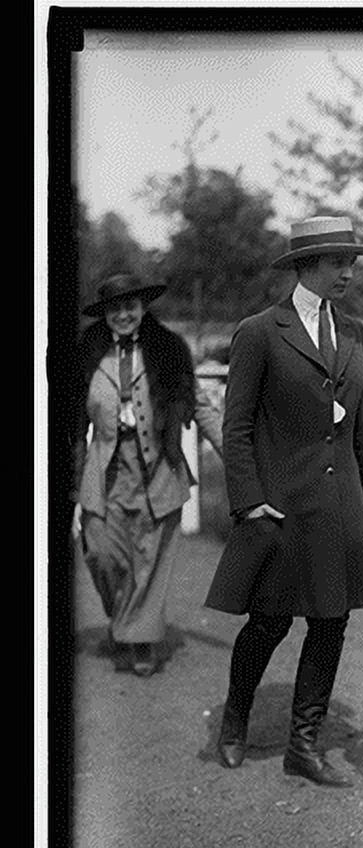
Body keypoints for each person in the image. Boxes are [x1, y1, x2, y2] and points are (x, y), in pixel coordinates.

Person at [204, 216, 363, 784]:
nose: (347, 273)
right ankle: (234, 721)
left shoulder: (355, 334)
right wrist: (249, 501)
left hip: (340, 504)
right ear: (306, 267)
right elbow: (235, 429)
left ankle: (303, 746)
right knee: (268, 622)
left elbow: (361, 427)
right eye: (337, 262)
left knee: (331, 624)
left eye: (351, 263)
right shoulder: (260, 331)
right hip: (281, 507)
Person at [73, 272, 223, 678]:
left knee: (149, 560)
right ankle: (125, 623)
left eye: (131, 306)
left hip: (158, 467)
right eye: (115, 308)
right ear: (105, 314)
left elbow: (197, 405)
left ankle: (138, 641)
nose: (124, 315)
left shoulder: (168, 350)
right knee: (101, 554)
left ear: (143, 308)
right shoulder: (86, 351)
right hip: (106, 470)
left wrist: (239, 458)